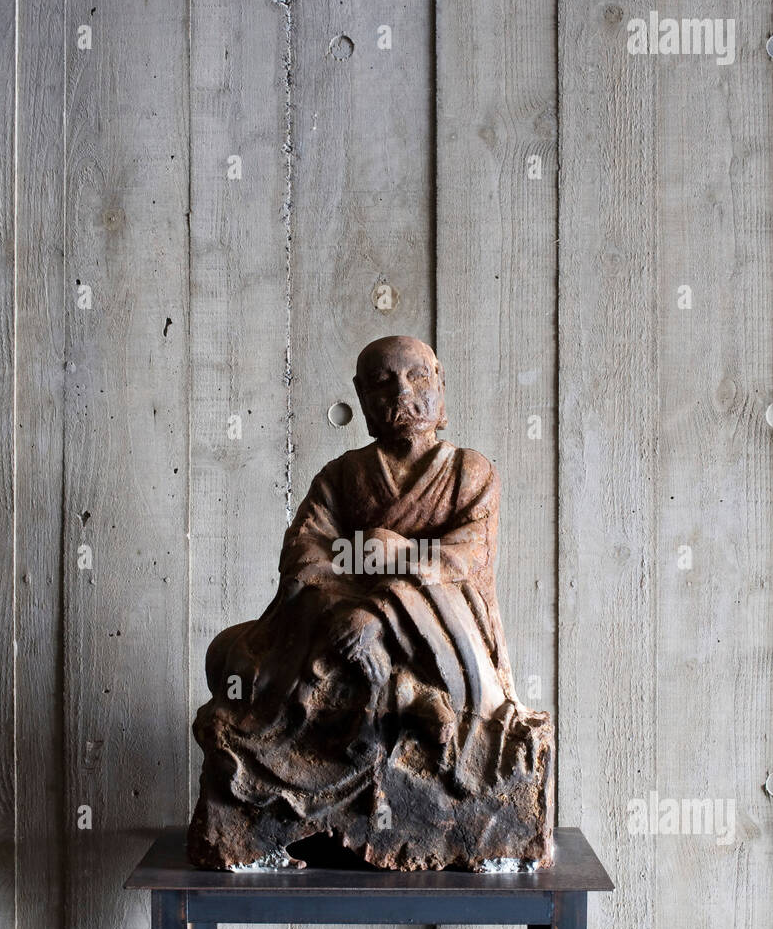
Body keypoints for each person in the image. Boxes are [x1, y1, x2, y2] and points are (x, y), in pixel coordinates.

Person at [188, 336, 553, 870]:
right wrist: (350, 597)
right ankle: (378, 710)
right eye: (381, 383)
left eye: (417, 377)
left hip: (435, 626)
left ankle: (418, 700)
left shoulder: (470, 473)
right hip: (342, 619)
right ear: (362, 399)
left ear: (441, 386)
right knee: (234, 656)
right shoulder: (344, 475)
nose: (401, 392)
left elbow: (466, 560)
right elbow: (304, 553)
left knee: (443, 599)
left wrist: (387, 596)